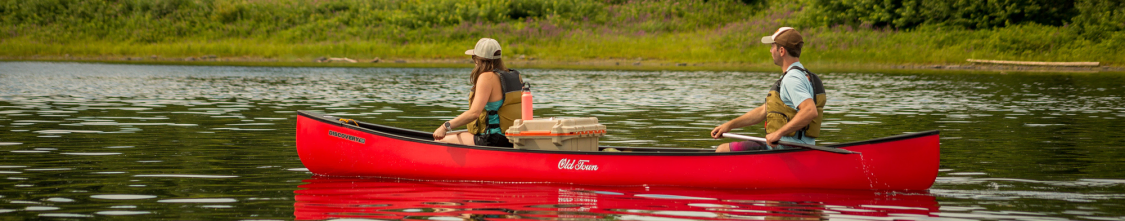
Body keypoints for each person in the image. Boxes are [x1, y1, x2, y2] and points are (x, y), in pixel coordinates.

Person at [710, 27, 826, 152]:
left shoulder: (792, 78)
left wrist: (778, 133)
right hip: (798, 146)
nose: (770, 51)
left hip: (785, 148)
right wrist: (729, 125)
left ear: (781, 51)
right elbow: (763, 111)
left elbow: (809, 110)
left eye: (772, 46)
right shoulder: (804, 75)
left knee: (722, 150)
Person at [432, 38, 524, 147]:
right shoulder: (512, 75)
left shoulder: (487, 77)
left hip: (493, 139)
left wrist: (445, 127)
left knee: (439, 141)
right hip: (511, 137)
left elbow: (474, 113)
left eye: (474, 57)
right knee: (456, 134)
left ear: (478, 59)